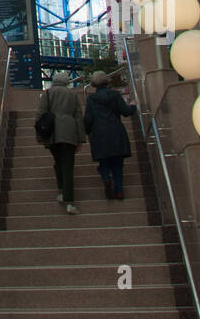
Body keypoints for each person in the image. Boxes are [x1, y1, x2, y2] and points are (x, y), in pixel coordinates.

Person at [83, 70, 138, 201]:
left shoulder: (91, 99)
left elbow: (88, 119)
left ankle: (106, 178)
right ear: (107, 82)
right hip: (116, 131)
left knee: (104, 161)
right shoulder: (115, 95)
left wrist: (87, 131)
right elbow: (125, 112)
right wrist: (133, 106)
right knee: (118, 163)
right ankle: (119, 191)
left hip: (99, 133)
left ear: (94, 84)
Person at [37, 71, 85, 215]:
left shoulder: (46, 94)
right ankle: (69, 202)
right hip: (69, 132)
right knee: (68, 166)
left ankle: (61, 190)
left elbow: (40, 114)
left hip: (51, 133)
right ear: (66, 82)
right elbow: (78, 117)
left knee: (58, 161)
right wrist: (80, 138)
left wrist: (40, 136)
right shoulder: (73, 95)